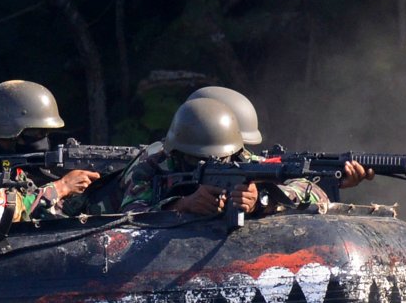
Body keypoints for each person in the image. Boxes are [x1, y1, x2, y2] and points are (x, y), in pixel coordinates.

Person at [119, 97, 328, 215]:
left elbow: (315, 193)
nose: (209, 162)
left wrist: (262, 199)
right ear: (178, 151)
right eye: (195, 158)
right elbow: (130, 213)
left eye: (219, 158)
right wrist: (182, 204)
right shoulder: (155, 161)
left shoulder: (241, 161)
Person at [186, 86, 375, 191]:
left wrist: (332, 180)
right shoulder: (168, 165)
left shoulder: (252, 164)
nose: (239, 153)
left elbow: (299, 183)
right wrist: (179, 204)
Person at [0, 79, 100, 217]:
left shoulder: (12, 165)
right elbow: (1, 211)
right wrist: (62, 187)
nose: (43, 139)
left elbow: (34, 207)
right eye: (37, 132)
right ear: (10, 131)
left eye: (46, 132)